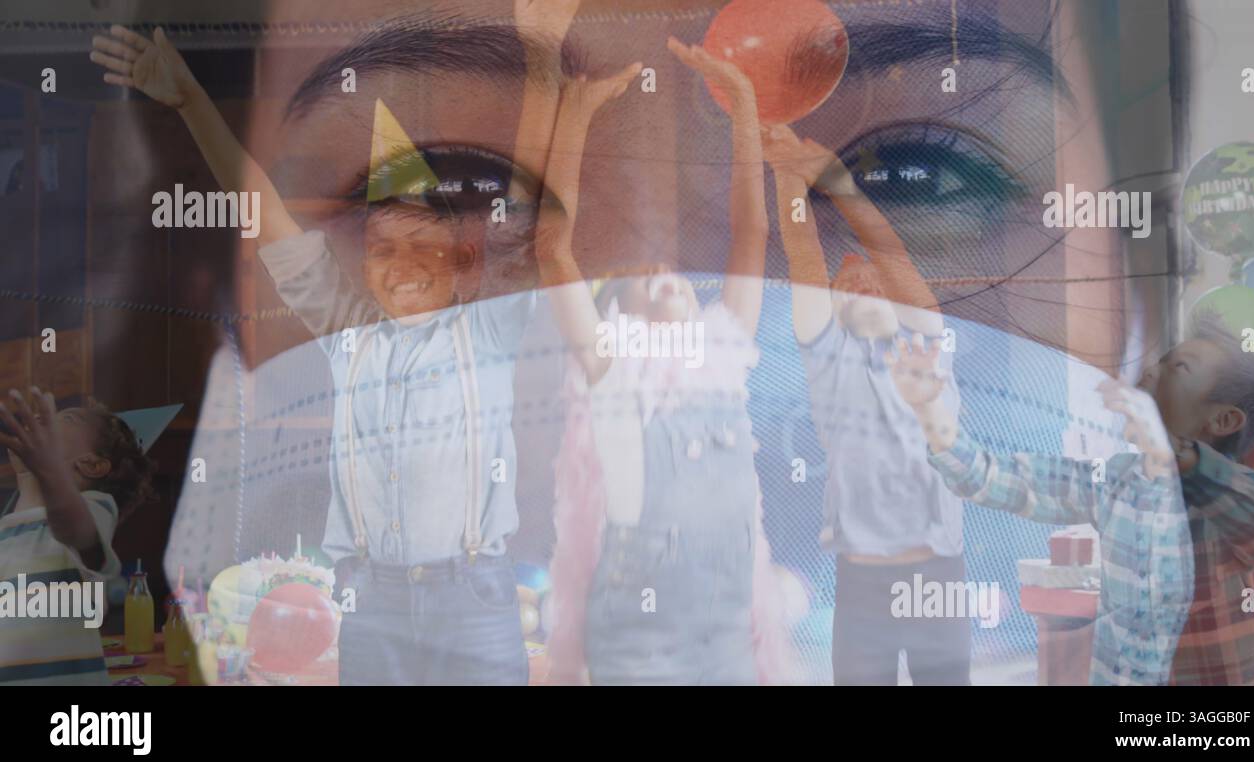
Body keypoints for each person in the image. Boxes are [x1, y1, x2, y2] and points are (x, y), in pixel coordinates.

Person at [87, 0, 585, 684]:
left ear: (461, 261)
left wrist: (540, 55)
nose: (402, 264)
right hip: (371, 600)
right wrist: (189, 100)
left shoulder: (487, 331)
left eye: (424, 247)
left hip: (470, 601)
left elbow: (525, 199)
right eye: (383, 248)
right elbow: (259, 211)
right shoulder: (350, 333)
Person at [541, 38, 795, 684]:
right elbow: (553, 250)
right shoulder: (611, 365)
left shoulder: (725, 347)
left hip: (728, 625)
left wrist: (742, 107)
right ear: (617, 313)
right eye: (642, 275)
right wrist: (573, 118)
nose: (663, 272)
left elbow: (752, 232)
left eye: (673, 272)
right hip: (641, 635)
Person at [888, 311, 1254, 684]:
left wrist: (1173, 452)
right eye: (1163, 360)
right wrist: (928, 407)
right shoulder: (1116, 480)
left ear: (1222, 420)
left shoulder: (1231, 496)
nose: (1153, 369)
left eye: (1180, 369)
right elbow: (990, 476)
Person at [762, 124, 970, 684]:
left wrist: (837, 183)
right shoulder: (830, 359)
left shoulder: (929, 347)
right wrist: (785, 173)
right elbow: (802, 251)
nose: (863, 282)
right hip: (861, 581)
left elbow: (888, 251)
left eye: (873, 280)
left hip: (938, 576)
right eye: (847, 284)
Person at [0, 387, 155, 685]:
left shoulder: (94, 507)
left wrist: (49, 472)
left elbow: (76, 531)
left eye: (65, 418)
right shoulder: (5, 531)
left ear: (92, 465)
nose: (37, 419)